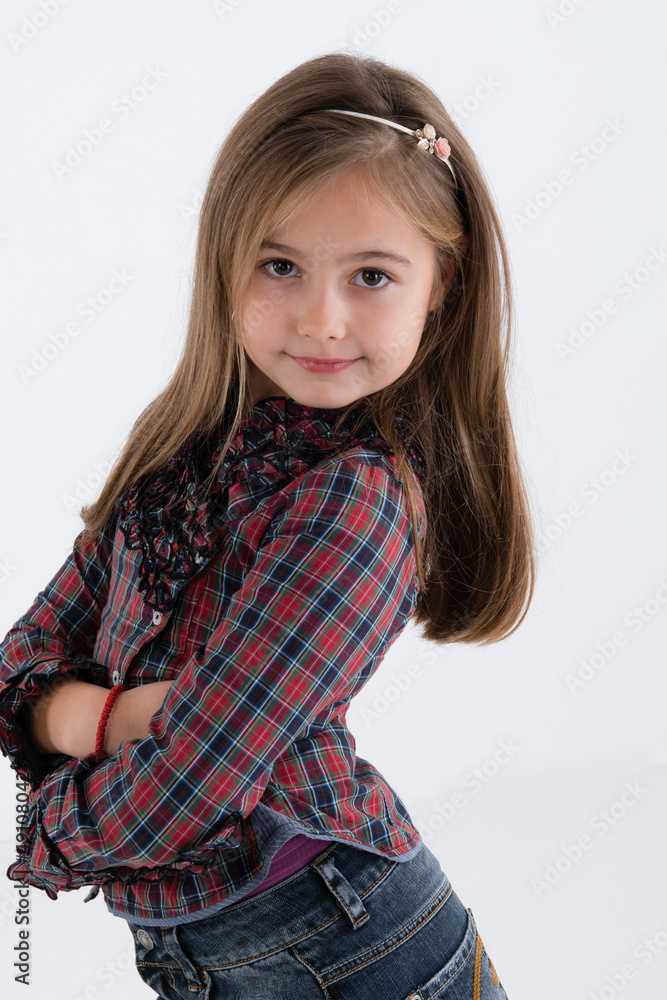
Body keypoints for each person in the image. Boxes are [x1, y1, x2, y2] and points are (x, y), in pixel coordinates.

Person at [0, 51, 535, 999]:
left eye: (371, 275)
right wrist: (110, 716)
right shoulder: (186, 451)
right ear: (225, 265)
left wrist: (43, 828)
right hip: (208, 949)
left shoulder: (353, 503)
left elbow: (190, 783)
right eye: (279, 265)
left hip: (351, 946)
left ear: (440, 288)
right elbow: (23, 656)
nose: (321, 320)